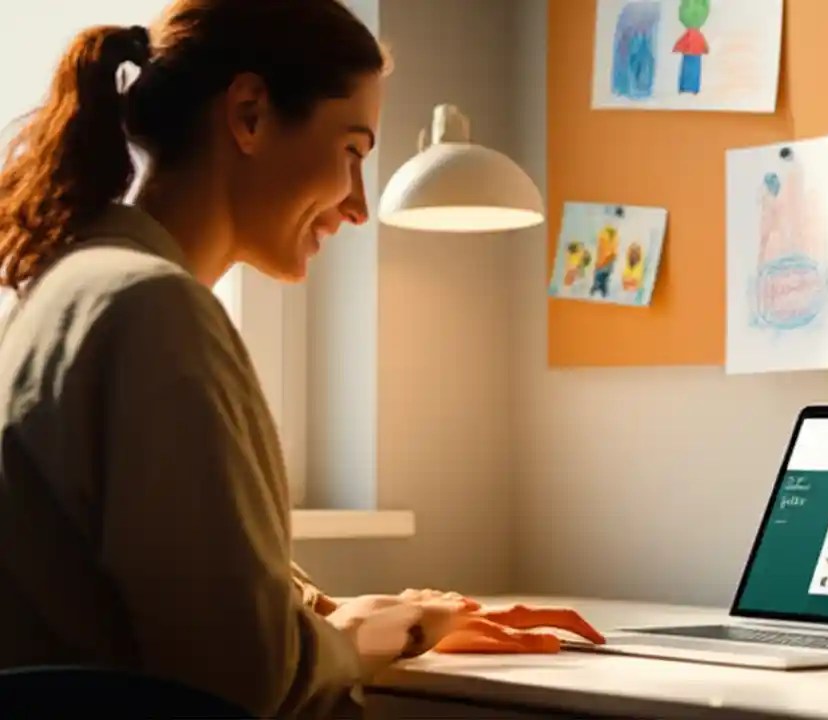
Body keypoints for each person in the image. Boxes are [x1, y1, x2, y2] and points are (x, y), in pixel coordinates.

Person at [0, 1, 601, 718]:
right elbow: (246, 683)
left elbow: (155, 585)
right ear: (250, 114)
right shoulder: (153, 310)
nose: (357, 207)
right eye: (352, 151)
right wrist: (389, 631)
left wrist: (339, 608)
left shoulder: (69, 292)